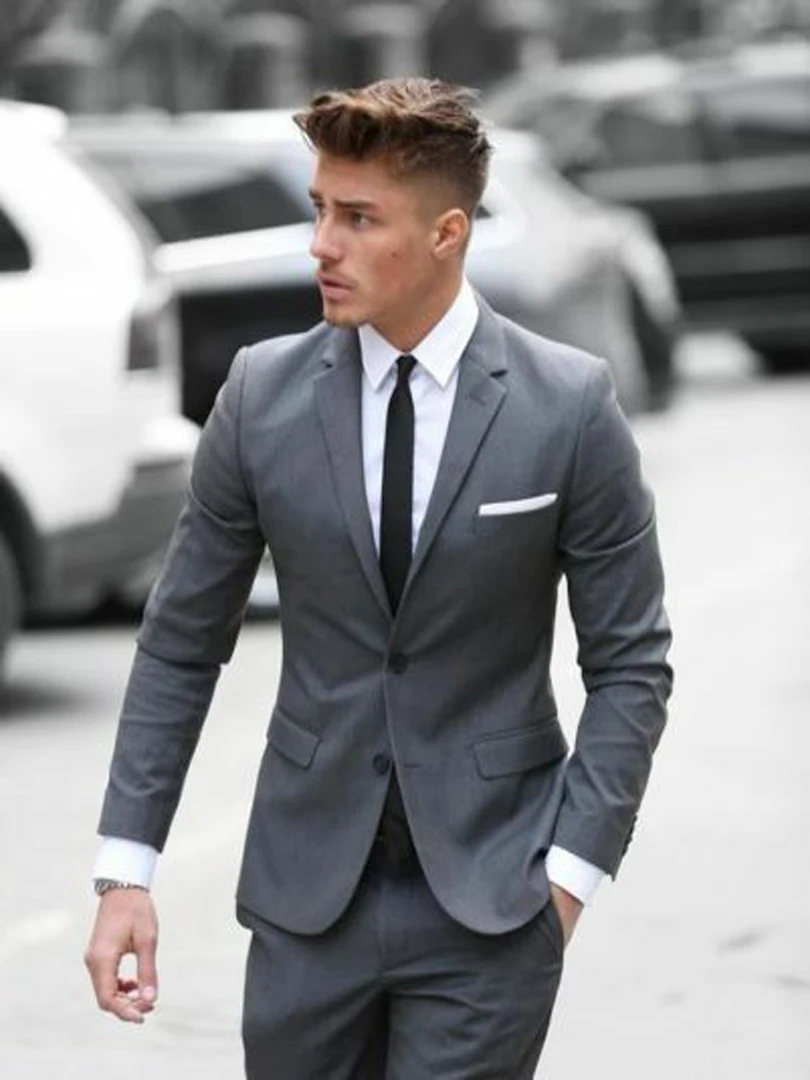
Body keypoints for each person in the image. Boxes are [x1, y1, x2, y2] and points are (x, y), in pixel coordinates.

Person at [85, 77, 672, 1078]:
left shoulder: (568, 406)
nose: (322, 243)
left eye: (358, 218)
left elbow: (632, 663)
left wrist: (570, 876)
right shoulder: (259, 396)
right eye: (320, 209)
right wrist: (125, 870)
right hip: (306, 901)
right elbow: (181, 642)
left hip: (492, 902)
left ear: (447, 233)